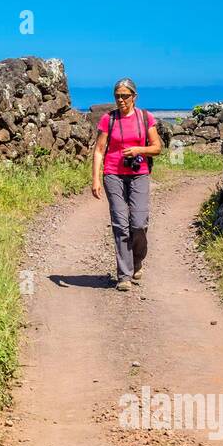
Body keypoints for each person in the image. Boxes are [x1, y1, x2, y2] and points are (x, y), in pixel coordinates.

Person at [91, 78, 162, 291]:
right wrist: (96, 178)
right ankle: (124, 275)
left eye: (125, 96)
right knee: (120, 224)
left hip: (139, 173)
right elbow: (99, 150)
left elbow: (157, 147)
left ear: (134, 97)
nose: (121, 100)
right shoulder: (107, 120)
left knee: (138, 222)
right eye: (117, 96)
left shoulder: (145, 118)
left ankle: (137, 259)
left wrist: (138, 150)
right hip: (113, 174)